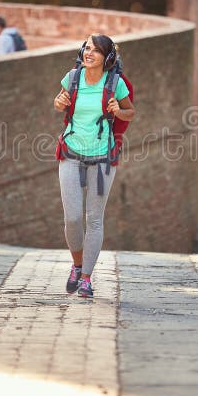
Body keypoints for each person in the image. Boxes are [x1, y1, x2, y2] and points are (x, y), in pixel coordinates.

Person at [53, 34, 135, 298]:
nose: (89, 54)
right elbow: (59, 101)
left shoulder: (115, 83)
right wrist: (59, 102)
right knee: (73, 218)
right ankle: (77, 266)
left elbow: (129, 111)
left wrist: (117, 110)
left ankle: (86, 278)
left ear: (107, 58)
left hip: (102, 158)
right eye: (87, 48)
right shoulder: (72, 78)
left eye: (96, 51)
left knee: (94, 219)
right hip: (71, 153)